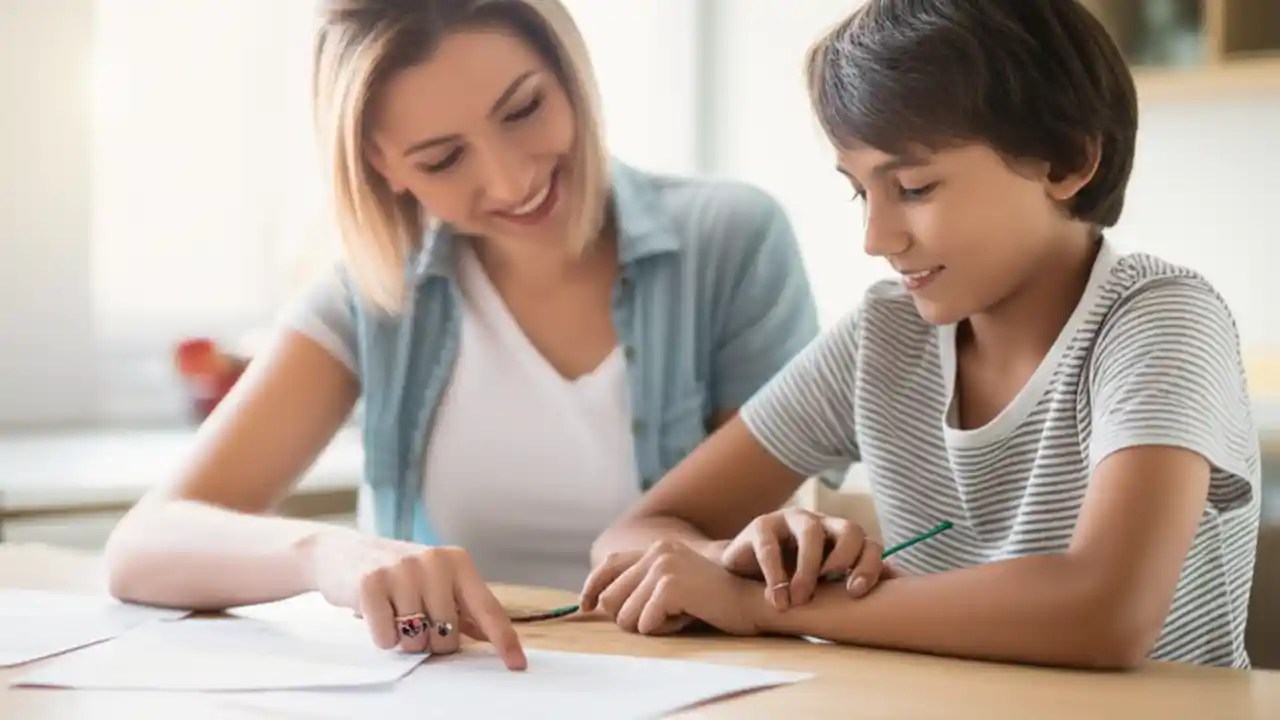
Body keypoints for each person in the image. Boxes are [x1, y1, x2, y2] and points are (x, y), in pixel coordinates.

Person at [104, 0, 819, 671]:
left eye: (524, 109)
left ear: (570, 72)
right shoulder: (376, 293)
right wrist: (329, 555)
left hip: (693, 679)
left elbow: (759, 553)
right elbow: (144, 545)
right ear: (382, 167)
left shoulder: (731, 240)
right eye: (443, 159)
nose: (510, 181)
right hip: (452, 688)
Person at [583, 0, 1261, 670]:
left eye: (914, 187)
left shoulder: (1161, 320)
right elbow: (631, 535)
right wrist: (744, 567)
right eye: (860, 192)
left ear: (1066, 161)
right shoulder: (884, 338)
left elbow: (1105, 613)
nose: (877, 238)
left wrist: (769, 607)